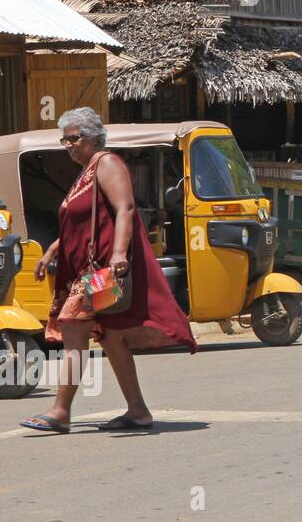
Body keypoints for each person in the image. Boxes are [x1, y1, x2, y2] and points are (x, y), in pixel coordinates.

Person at [21, 108, 197, 435]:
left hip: (98, 272)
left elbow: (125, 208)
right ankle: (139, 411)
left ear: (92, 137)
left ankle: (60, 412)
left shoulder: (107, 163)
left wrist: (118, 252)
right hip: (83, 271)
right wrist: (53, 249)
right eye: (65, 139)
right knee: (113, 338)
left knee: (73, 332)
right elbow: (83, 223)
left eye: (74, 138)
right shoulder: (86, 171)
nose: (68, 145)